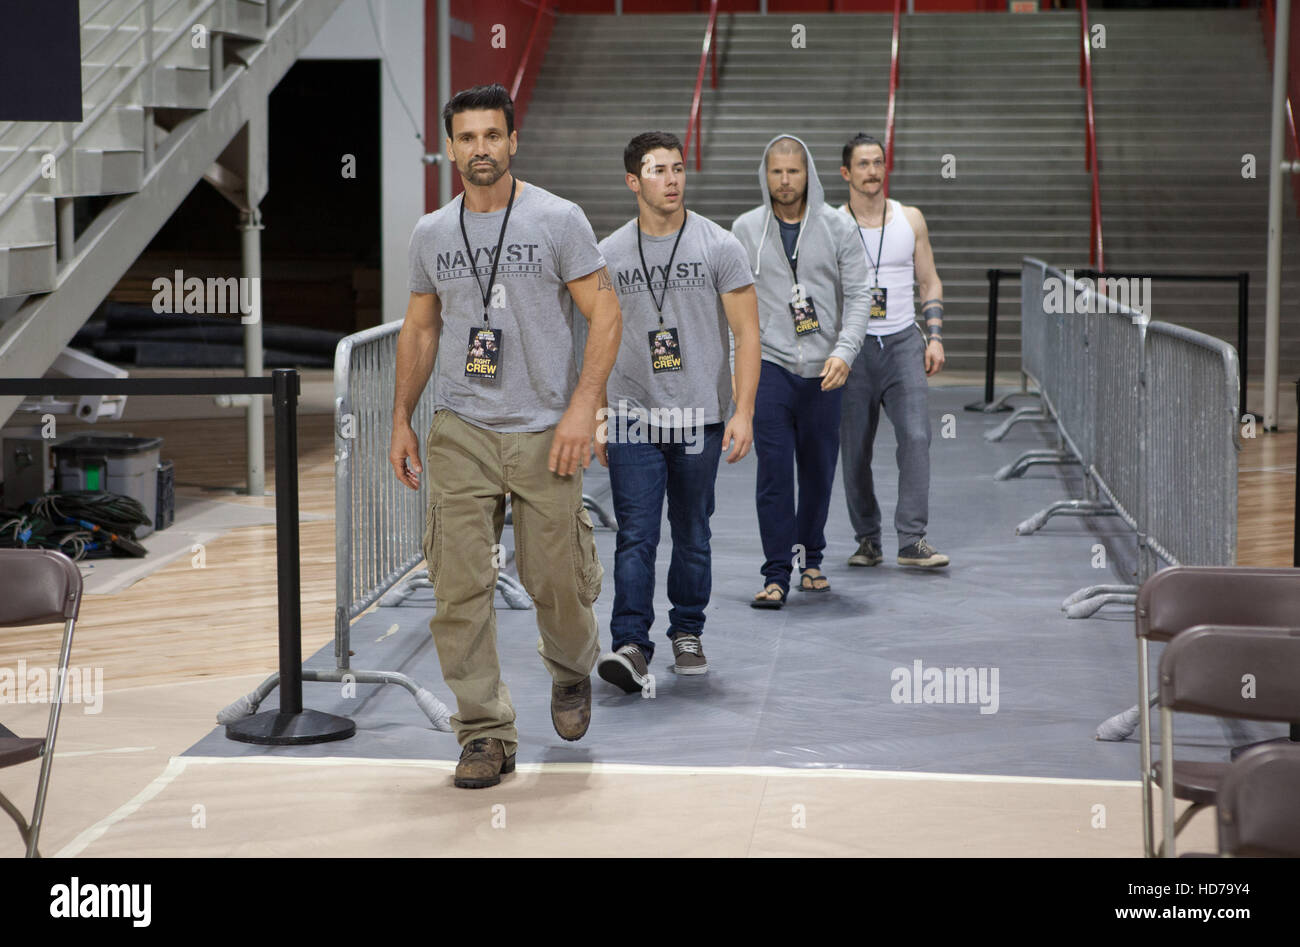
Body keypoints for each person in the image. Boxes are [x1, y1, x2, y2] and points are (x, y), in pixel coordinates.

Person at [390, 84, 621, 789]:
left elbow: (605, 311)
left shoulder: (557, 219)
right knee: (458, 586)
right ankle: (485, 731)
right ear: (450, 147)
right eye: (467, 137)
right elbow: (422, 328)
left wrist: (585, 405)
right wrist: (402, 416)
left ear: (513, 140)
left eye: (492, 135)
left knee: (556, 581)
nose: (480, 148)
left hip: (547, 427)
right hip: (461, 428)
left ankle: (572, 667)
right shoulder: (432, 232)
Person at [592, 131, 760, 692]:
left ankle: (687, 631)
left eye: (678, 168)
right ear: (632, 181)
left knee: (692, 531)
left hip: (700, 416)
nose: (671, 179)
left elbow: (747, 332)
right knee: (636, 534)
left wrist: (743, 412)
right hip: (632, 416)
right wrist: (595, 410)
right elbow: (594, 337)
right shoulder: (609, 253)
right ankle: (631, 645)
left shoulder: (719, 245)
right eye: (658, 170)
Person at [730, 135, 871, 609]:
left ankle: (811, 558)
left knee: (817, 471)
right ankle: (775, 573)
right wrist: (737, 370)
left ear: (808, 172)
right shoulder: (745, 230)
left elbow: (858, 296)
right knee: (772, 472)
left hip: (826, 372)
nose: (785, 181)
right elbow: (736, 306)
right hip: (770, 365)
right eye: (776, 172)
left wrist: (845, 352)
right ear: (764, 175)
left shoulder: (838, 228)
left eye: (793, 171)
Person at [837, 132, 949, 569]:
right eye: (863, 164)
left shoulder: (910, 219)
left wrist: (935, 335)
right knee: (855, 449)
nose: (872, 171)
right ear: (846, 172)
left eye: (878, 162)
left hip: (903, 340)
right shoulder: (832, 224)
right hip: (854, 346)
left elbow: (930, 280)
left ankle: (912, 539)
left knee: (918, 439)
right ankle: (867, 537)